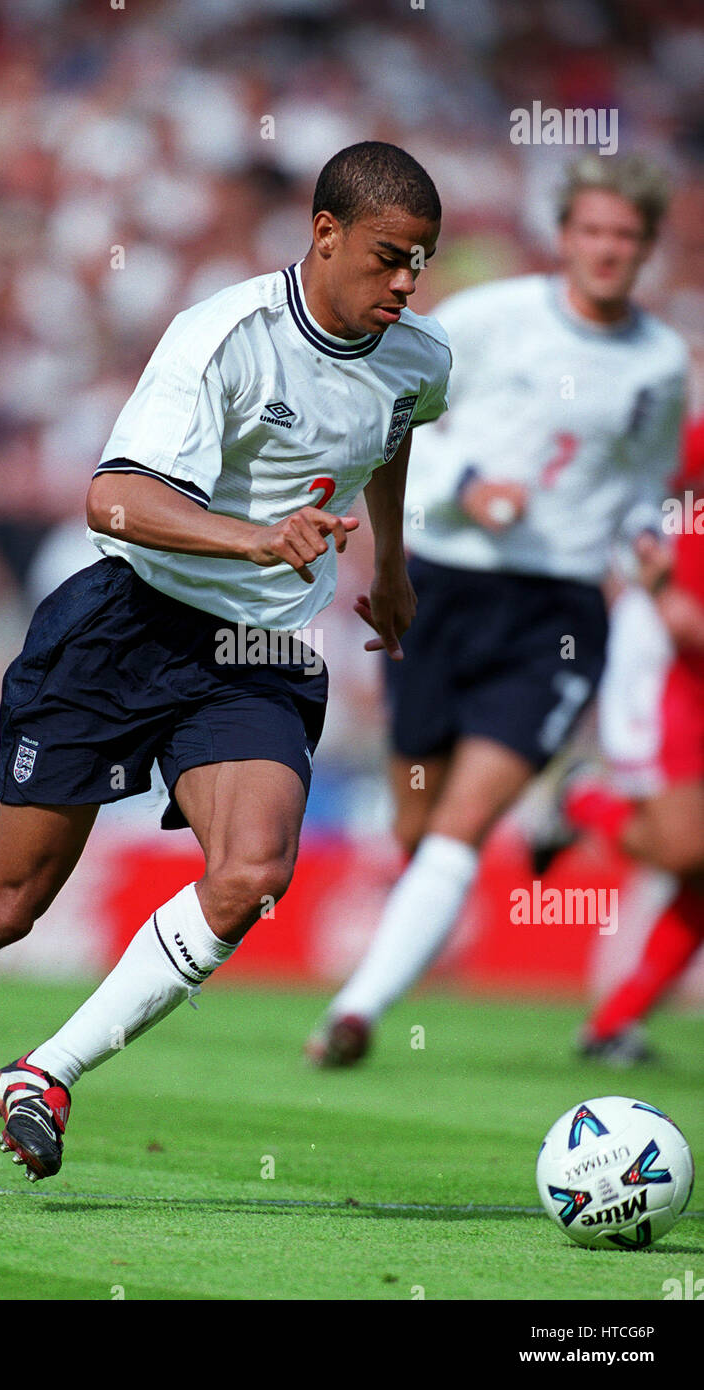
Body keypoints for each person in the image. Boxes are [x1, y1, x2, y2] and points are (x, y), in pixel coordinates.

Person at [0, 141, 450, 1187]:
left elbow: (388, 430)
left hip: (249, 653)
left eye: (420, 263)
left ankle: (45, 1071)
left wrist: (388, 566)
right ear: (324, 234)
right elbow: (110, 499)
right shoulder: (220, 337)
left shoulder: (418, 357)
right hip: (123, 625)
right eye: (389, 256)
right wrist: (255, 537)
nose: (404, 281)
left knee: (253, 869)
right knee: (8, 901)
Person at [307, 153, 688, 1068]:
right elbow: (396, 419)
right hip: (443, 584)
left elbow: (644, 482)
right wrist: (468, 484)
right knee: (416, 820)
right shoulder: (485, 321)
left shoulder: (661, 363)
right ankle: (411, 941)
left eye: (624, 237)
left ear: (643, 250)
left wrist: (643, 539)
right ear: (563, 238)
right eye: (591, 231)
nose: (606, 250)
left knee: (463, 822)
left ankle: (354, 1011)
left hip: (556, 610)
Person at [570, 417, 704, 1062]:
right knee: (686, 852)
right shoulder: (684, 520)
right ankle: (580, 801)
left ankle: (613, 1026)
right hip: (670, 686)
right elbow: (683, 622)